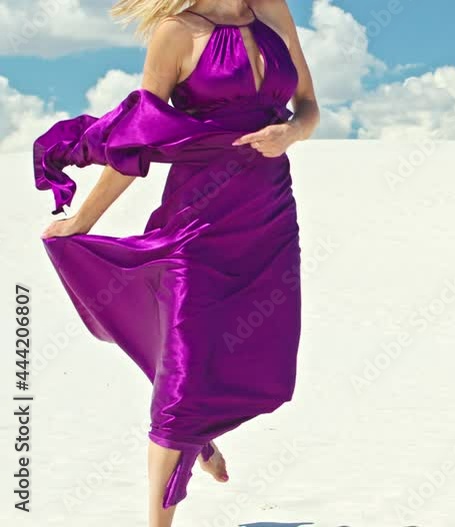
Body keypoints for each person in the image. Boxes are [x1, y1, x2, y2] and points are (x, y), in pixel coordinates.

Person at [32, 1, 319, 525]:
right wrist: (83, 223)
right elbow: (134, 141)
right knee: (182, 371)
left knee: (256, 353)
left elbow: (309, 108)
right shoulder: (175, 32)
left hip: (268, 214)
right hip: (197, 221)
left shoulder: (273, 11)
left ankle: (199, 435)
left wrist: (291, 133)